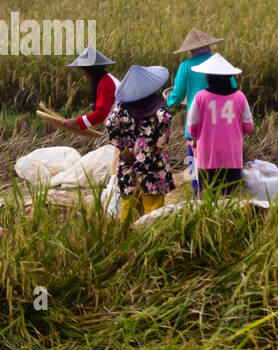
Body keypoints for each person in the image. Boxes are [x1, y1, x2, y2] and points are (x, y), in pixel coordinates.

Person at [166, 27, 235, 194]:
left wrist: (167, 102)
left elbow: (177, 95)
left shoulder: (186, 66)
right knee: (221, 168)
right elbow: (233, 87)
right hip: (222, 124)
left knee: (196, 167)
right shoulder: (219, 63)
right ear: (208, 46)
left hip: (196, 127)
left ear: (191, 50)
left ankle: (197, 195)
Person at [105, 65, 175, 221]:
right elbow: (166, 120)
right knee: (153, 209)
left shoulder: (121, 108)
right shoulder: (157, 105)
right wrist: (160, 143)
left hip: (128, 162)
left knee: (128, 206)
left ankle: (126, 240)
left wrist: (123, 150)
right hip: (152, 163)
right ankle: (151, 240)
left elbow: (109, 125)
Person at [185, 53, 253, 196]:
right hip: (232, 157)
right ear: (229, 77)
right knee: (231, 199)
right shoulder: (240, 96)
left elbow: (191, 129)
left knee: (207, 198)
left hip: (207, 157)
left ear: (208, 77)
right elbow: (248, 126)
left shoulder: (200, 97)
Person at [63, 46, 119, 132]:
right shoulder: (107, 79)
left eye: (85, 71)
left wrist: (76, 121)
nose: (85, 75)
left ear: (91, 72)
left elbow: (101, 114)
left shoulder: (105, 84)